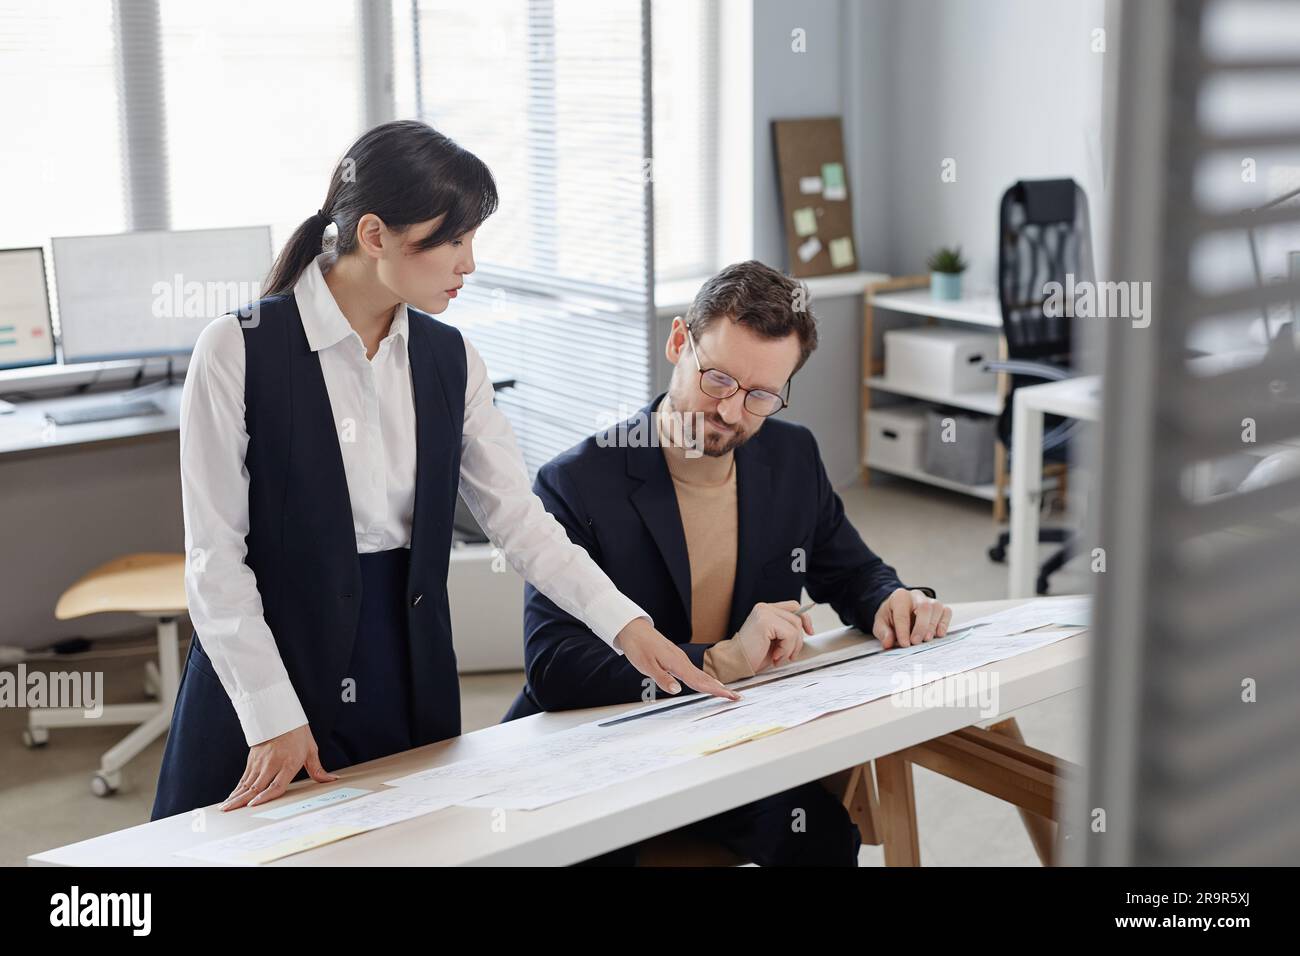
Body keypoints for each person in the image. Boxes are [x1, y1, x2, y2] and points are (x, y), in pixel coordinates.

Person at [151, 120, 735, 821]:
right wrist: (271, 712)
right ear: (376, 236)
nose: (470, 264)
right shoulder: (236, 350)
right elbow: (214, 560)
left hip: (405, 662)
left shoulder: (452, 359)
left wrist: (631, 630)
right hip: (270, 663)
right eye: (454, 239)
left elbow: (520, 522)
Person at [503, 260, 950, 865]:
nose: (734, 413)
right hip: (602, 748)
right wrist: (718, 660)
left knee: (821, 839)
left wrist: (893, 599)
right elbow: (553, 665)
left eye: (763, 395)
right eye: (718, 381)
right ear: (679, 341)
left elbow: (850, 571)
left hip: (729, 741)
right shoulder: (577, 482)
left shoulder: (791, 455)